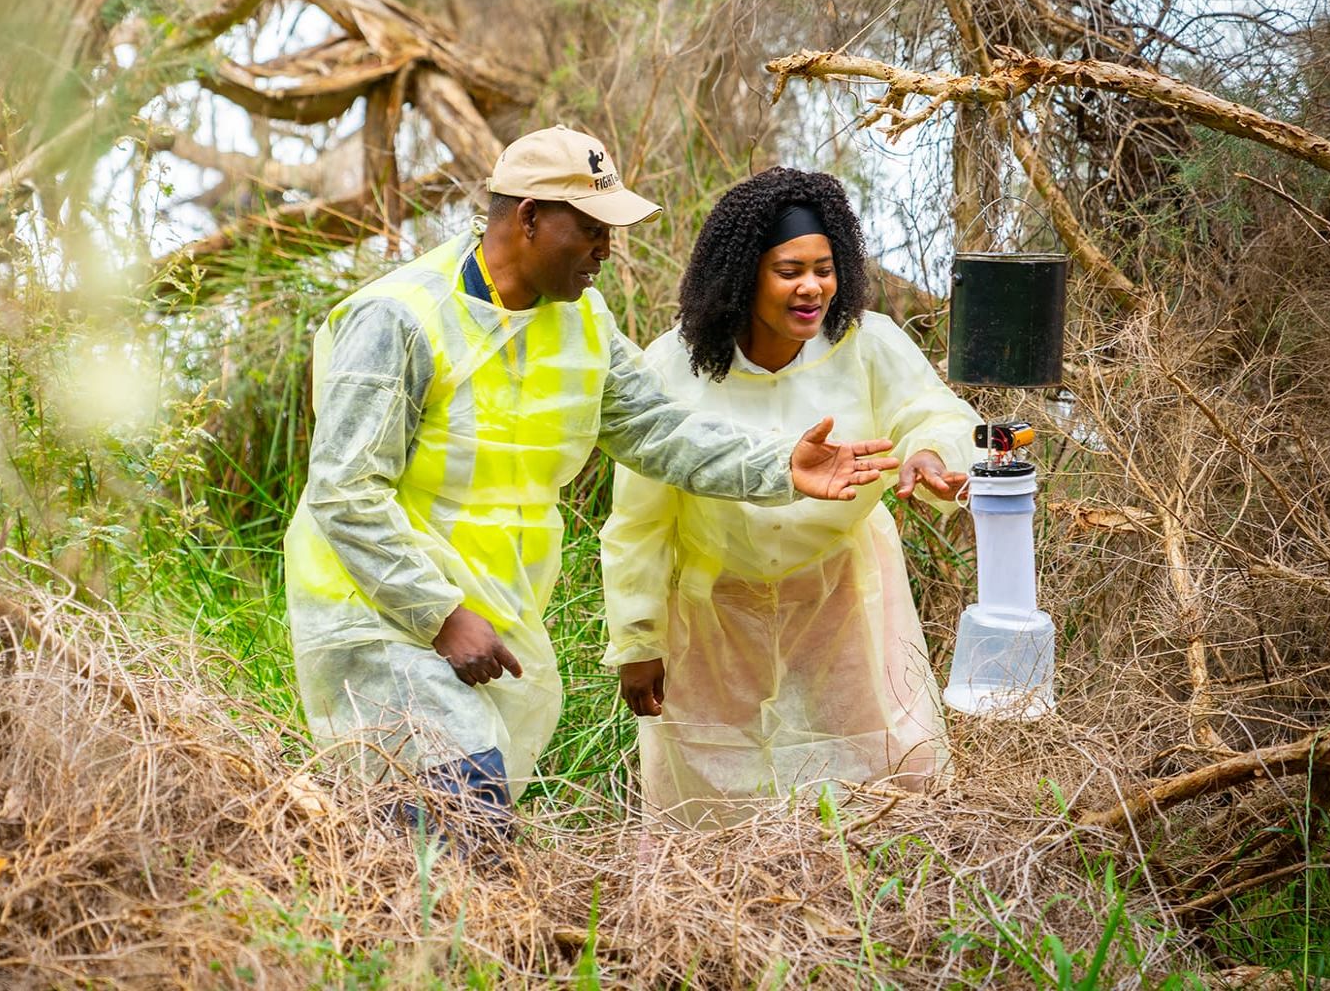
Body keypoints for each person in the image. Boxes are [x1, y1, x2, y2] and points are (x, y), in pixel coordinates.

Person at [283, 128, 902, 834]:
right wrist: (438, 613)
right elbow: (343, 491)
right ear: (527, 218)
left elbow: (658, 430)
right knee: (460, 804)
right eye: (591, 231)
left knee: (423, 829)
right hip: (379, 606)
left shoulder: (584, 321)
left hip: (495, 608)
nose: (608, 252)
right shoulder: (396, 318)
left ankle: (395, 935)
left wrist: (777, 465)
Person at [600, 166, 980, 828]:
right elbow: (638, 521)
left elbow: (934, 413)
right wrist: (637, 642)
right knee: (710, 783)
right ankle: (721, 916)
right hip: (712, 605)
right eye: (789, 271)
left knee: (889, 758)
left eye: (825, 268)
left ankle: (874, 903)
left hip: (844, 594)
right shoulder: (672, 365)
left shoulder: (867, 343)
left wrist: (932, 455)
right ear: (745, 275)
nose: (812, 288)